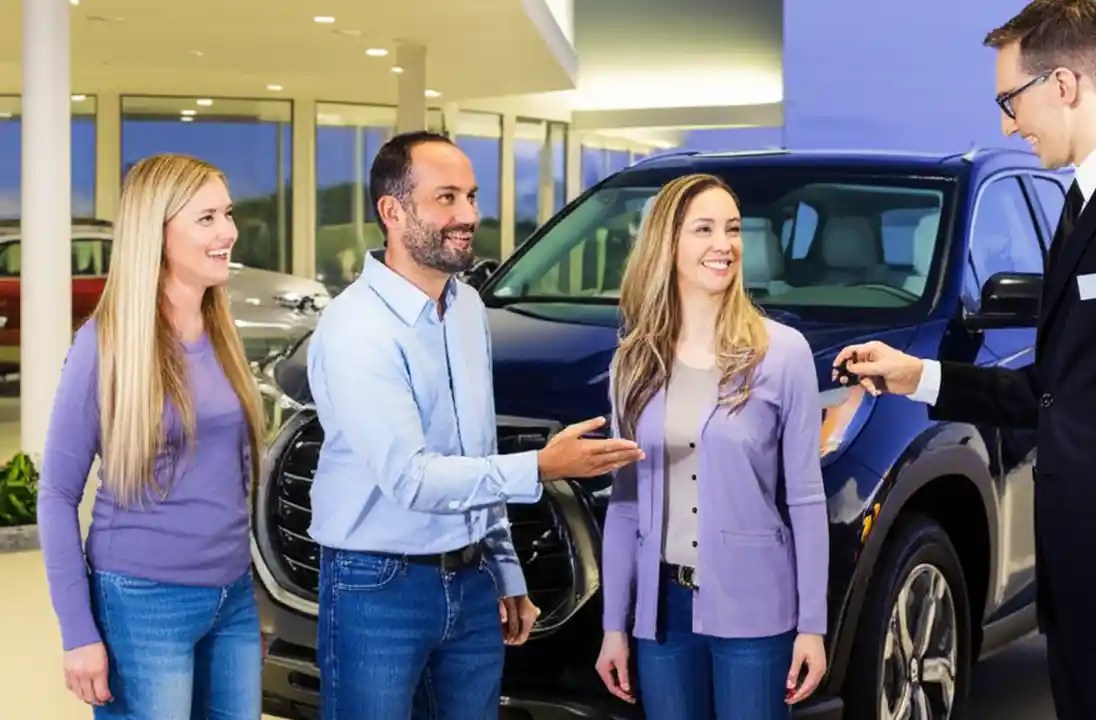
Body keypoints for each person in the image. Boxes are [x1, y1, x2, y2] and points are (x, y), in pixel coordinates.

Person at [834, 1, 1096, 718]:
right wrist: (917, 375)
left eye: (1011, 100)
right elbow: (1057, 392)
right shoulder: (1084, 203)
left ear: (1063, 83)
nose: (1008, 125)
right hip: (1089, 598)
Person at [306, 130, 645, 719]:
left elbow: (475, 450)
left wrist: (504, 568)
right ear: (392, 211)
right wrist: (542, 467)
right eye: (446, 198)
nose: (467, 215)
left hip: (472, 579)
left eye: (471, 196)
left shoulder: (466, 308)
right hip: (378, 587)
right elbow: (412, 479)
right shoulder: (356, 329)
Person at [37, 153, 266, 718]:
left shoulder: (222, 335)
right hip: (142, 600)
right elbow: (57, 494)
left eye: (228, 214)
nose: (229, 232)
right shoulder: (105, 345)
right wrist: (78, 632)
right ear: (156, 233)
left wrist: (253, 595)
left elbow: (234, 477)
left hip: (232, 597)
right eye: (206, 218)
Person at [594, 173, 829, 719]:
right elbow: (625, 505)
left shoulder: (784, 353)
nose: (724, 244)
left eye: (733, 229)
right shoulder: (633, 361)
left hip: (758, 612)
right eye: (704, 229)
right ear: (667, 243)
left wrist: (812, 626)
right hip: (661, 618)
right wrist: (614, 626)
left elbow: (806, 499)